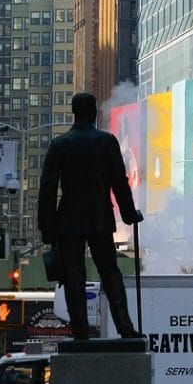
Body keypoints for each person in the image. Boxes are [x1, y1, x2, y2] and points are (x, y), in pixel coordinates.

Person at [38, 91, 144, 340]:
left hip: (69, 220)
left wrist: (47, 225)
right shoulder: (107, 142)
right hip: (99, 217)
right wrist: (129, 214)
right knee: (110, 272)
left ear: (73, 113)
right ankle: (125, 328)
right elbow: (120, 182)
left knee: (73, 275)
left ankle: (80, 333)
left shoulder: (60, 144)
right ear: (95, 112)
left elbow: (48, 188)